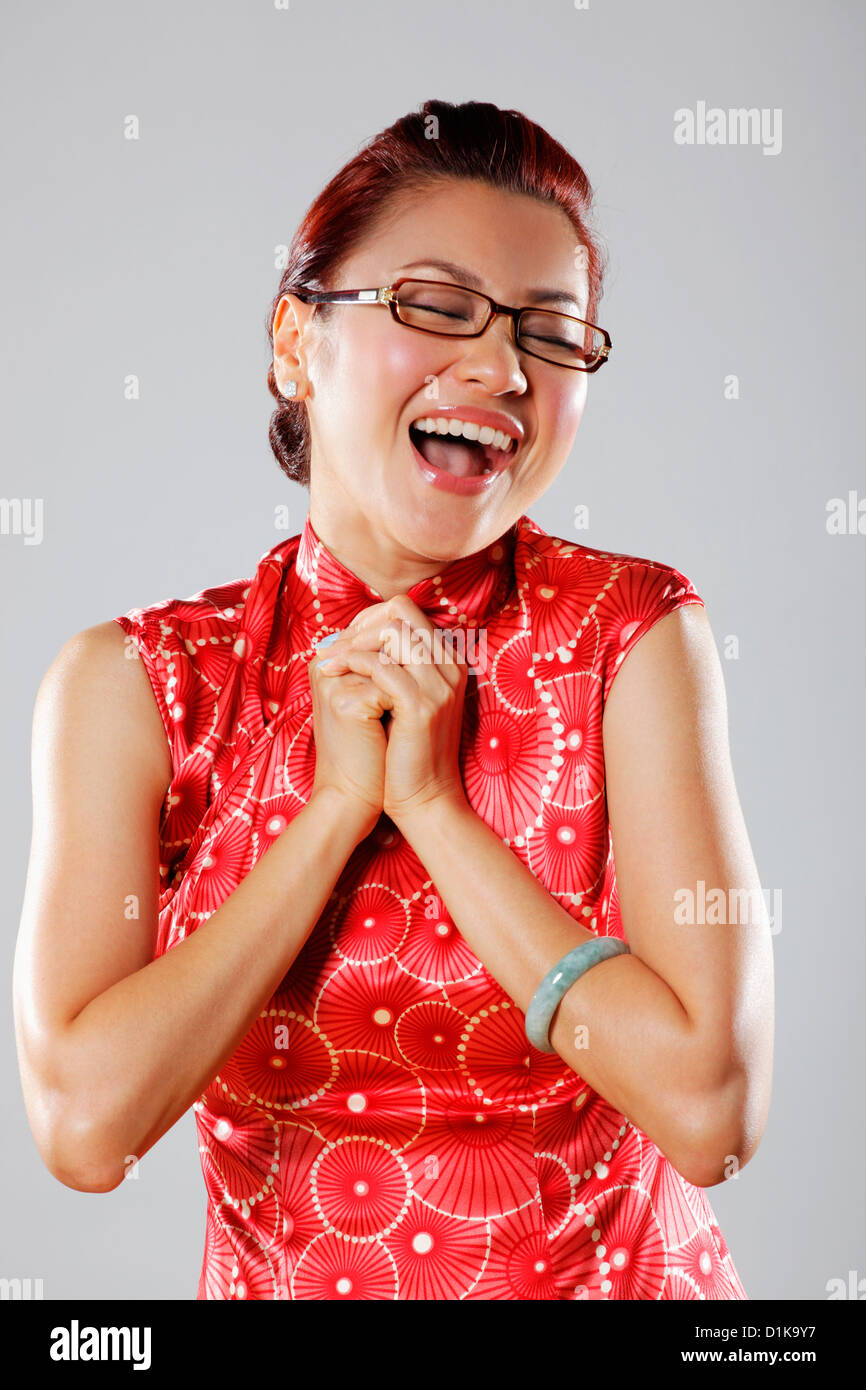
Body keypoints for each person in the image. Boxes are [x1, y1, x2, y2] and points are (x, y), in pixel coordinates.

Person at [13, 98, 773, 1300]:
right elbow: (83, 1127)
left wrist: (429, 804)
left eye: (551, 333)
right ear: (294, 343)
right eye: (434, 306)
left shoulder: (630, 636)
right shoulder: (141, 683)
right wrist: (329, 814)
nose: (501, 366)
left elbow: (708, 1110)